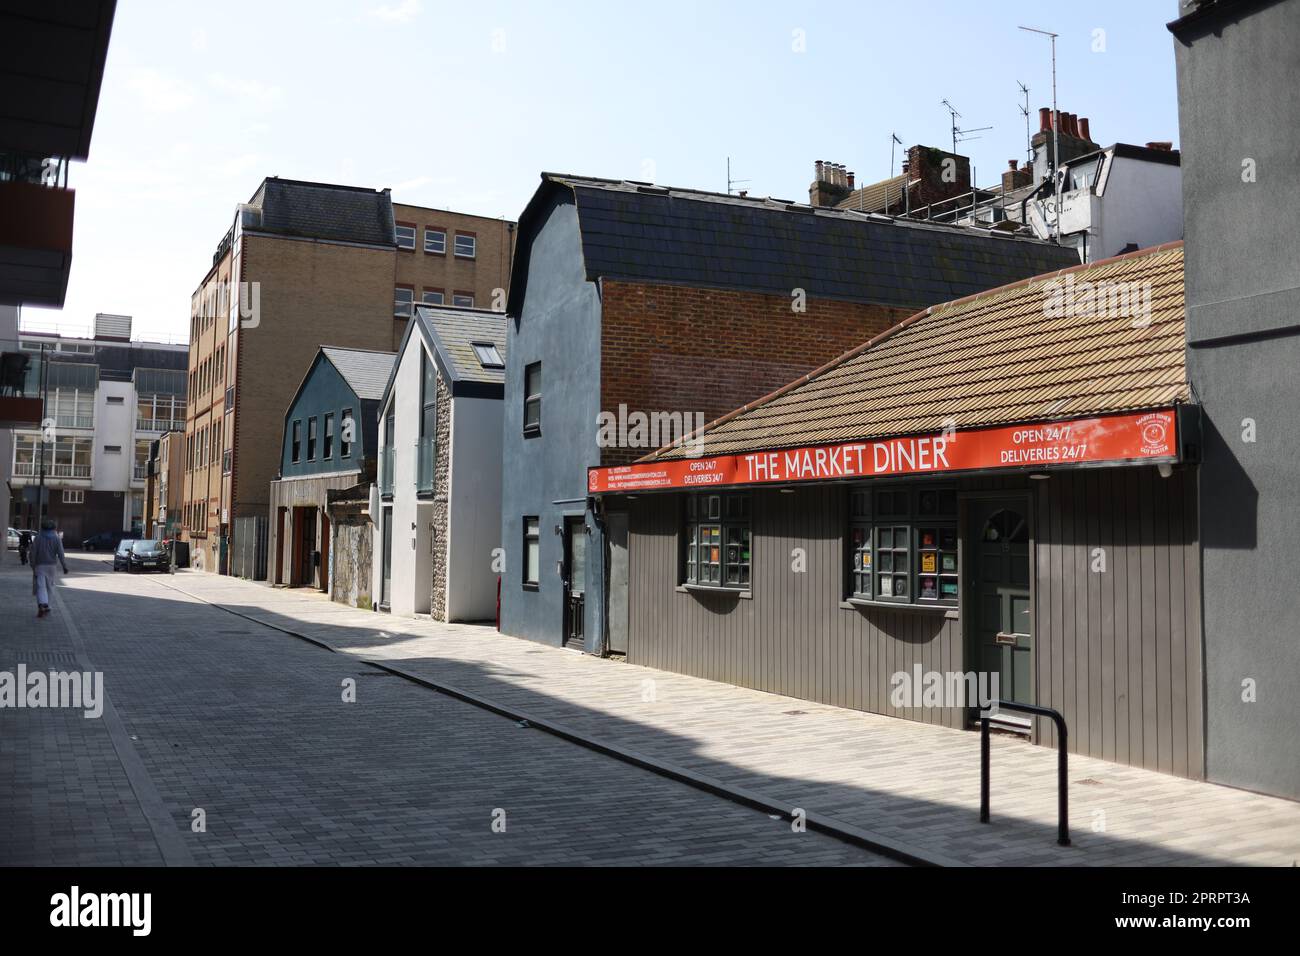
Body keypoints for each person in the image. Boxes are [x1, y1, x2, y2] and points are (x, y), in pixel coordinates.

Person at [30, 518, 69, 618]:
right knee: (50, 586)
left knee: (40, 586)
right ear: (53, 528)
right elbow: (61, 553)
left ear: (42, 528)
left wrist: (32, 565)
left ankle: (42, 604)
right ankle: (47, 605)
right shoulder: (57, 538)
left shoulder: (38, 538)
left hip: (40, 565)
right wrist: (64, 566)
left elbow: (33, 552)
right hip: (51, 566)